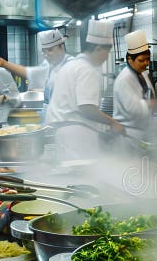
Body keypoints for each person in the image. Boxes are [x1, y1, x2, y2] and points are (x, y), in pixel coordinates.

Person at [45, 20, 126, 160]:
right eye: (107, 52)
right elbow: (87, 108)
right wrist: (113, 122)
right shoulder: (87, 69)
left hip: (61, 134)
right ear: (98, 48)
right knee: (83, 178)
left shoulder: (70, 66)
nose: (107, 57)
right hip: (77, 138)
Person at [0, 28, 74, 105]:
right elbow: (29, 73)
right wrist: (4, 64)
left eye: (50, 50)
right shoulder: (49, 64)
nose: (46, 54)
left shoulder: (72, 66)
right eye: (44, 51)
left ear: (61, 47)